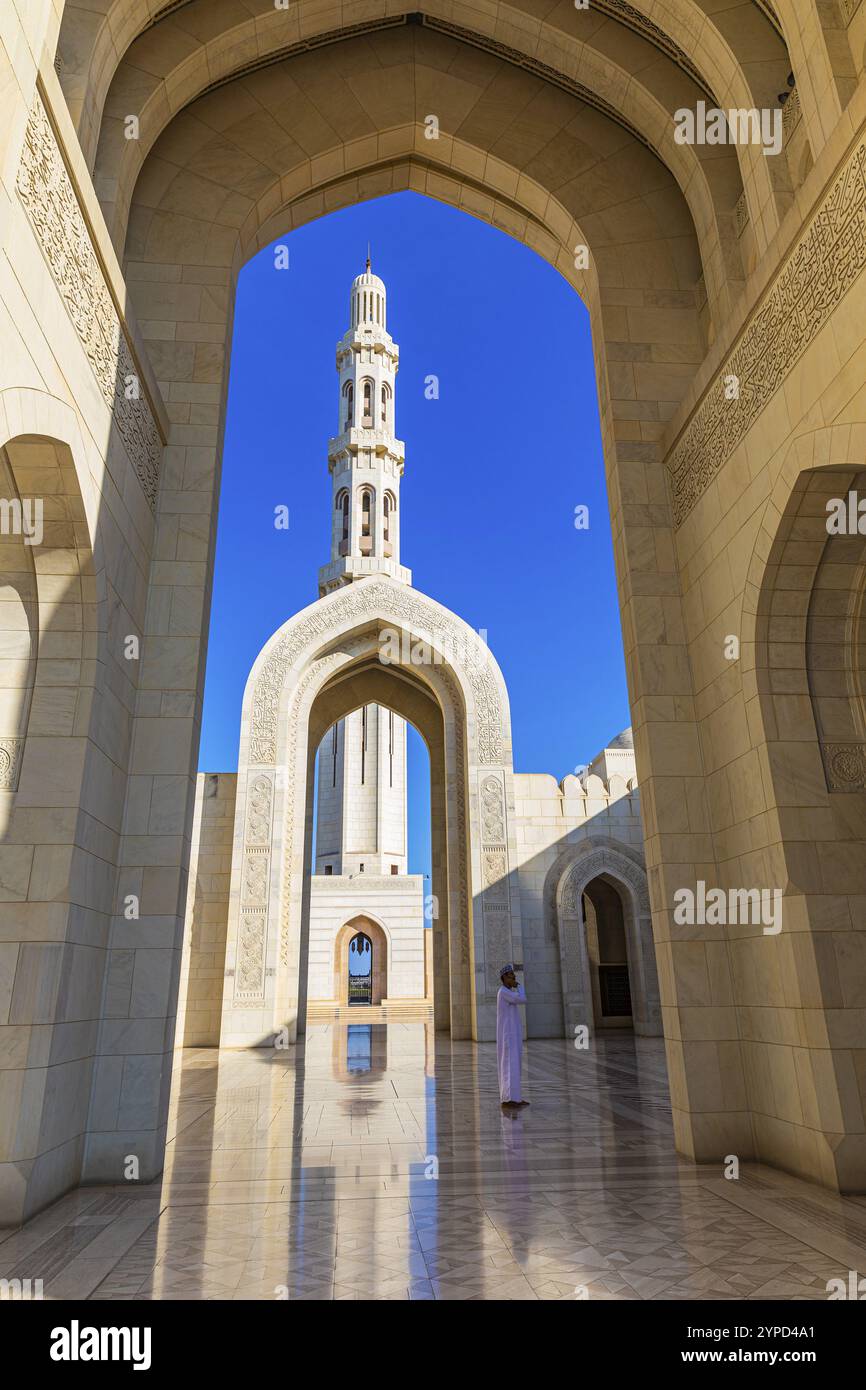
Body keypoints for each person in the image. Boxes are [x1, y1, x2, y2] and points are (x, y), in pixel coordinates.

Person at [497, 964, 528, 1108]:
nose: (514, 978)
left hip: (513, 1034)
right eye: (511, 975)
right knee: (509, 1065)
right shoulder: (504, 992)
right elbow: (522, 999)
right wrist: (520, 986)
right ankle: (508, 1098)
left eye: (514, 975)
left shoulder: (508, 992)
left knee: (515, 1065)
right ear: (504, 978)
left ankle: (515, 1098)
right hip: (508, 1035)